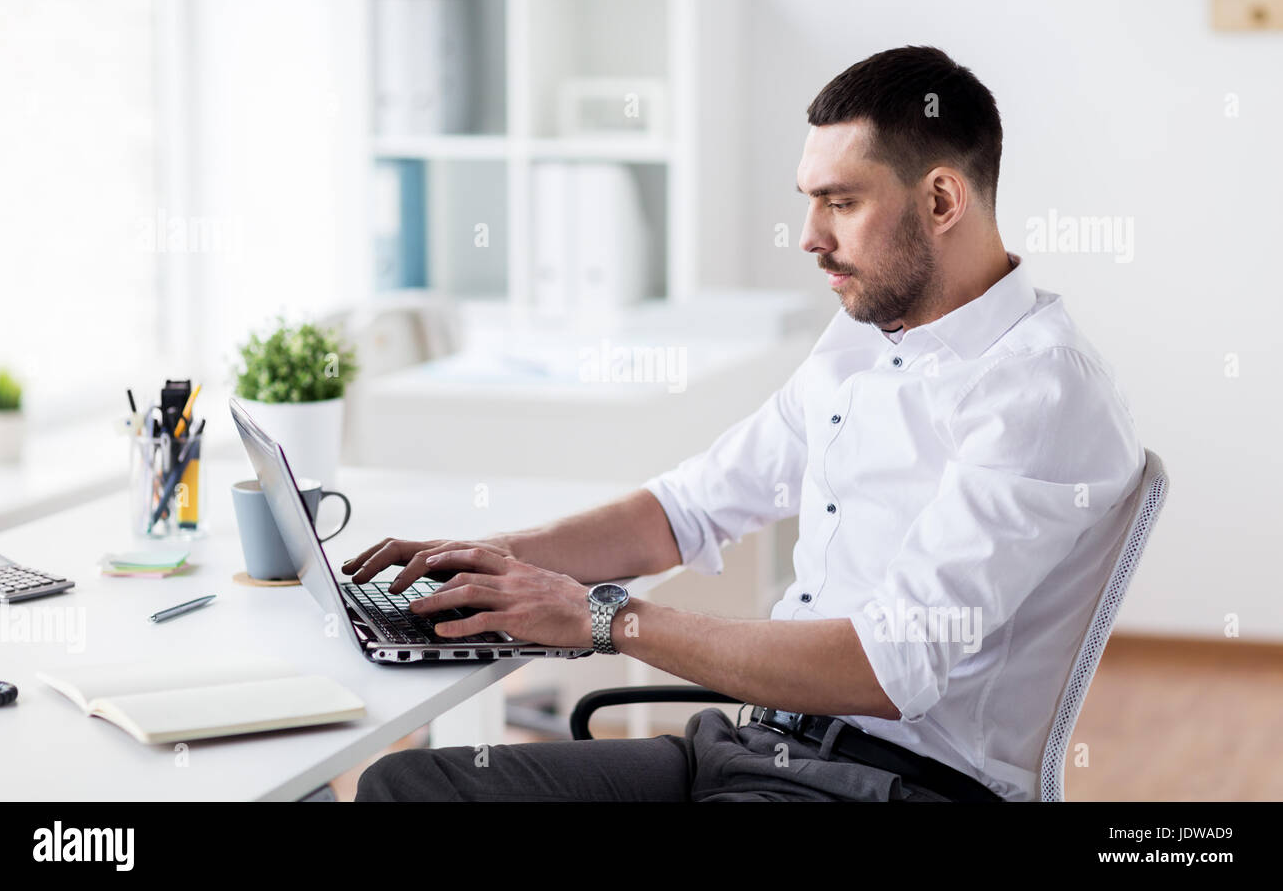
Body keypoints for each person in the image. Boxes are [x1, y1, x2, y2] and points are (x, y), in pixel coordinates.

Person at [347, 45, 1144, 802]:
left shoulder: (1039, 392)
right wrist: (495, 559)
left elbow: (888, 668)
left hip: (889, 785)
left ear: (941, 199)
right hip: (758, 748)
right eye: (810, 201)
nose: (811, 238)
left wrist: (602, 619)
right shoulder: (862, 340)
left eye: (842, 202)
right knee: (406, 787)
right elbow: (686, 509)